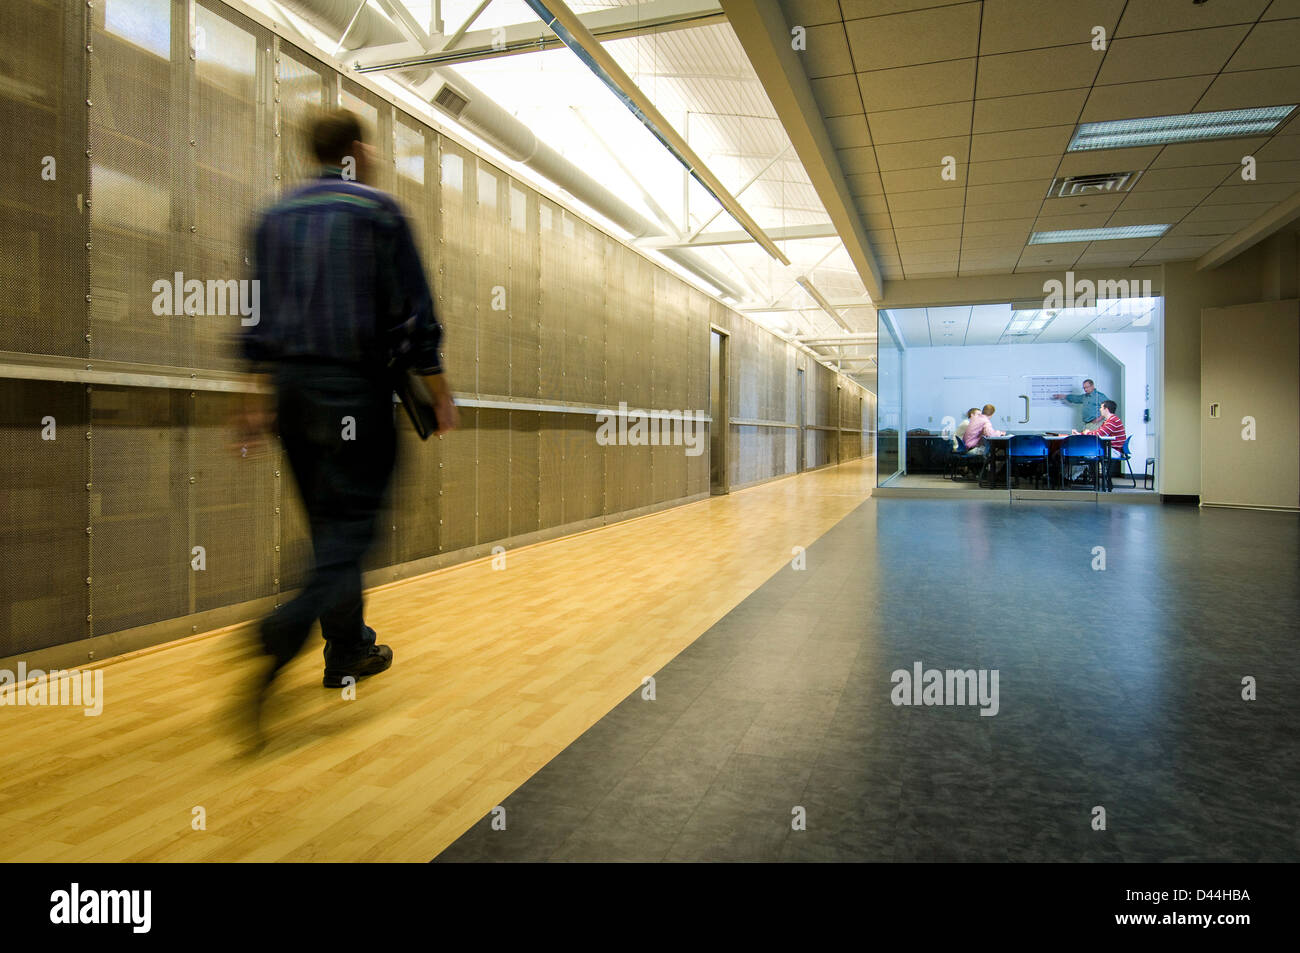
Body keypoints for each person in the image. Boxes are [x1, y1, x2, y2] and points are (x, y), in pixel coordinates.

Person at [232, 109, 459, 743]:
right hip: (355, 390)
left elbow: (257, 324)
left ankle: (348, 651)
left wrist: (252, 401)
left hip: (291, 397)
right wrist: (439, 394)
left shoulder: (272, 221)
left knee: (330, 528)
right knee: (355, 529)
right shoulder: (381, 213)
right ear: (358, 150)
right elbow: (415, 321)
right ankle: (283, 631)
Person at [1074, 400, 1126, 484]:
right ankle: (1084, 478)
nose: (1100, 409)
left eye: (1101, 407)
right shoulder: (1109, 420)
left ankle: (1071, 477)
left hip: (1114, 450)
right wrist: (1081, 433)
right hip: (1110, 449)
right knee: (1086, 452)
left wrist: (1087, 432)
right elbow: (1099, 432)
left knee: (1085, 453)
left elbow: (1099, 434)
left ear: (1106, 409)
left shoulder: (1113, 420)